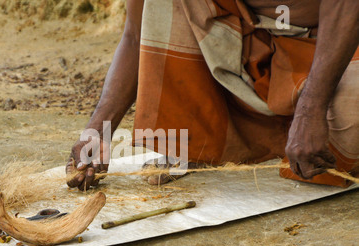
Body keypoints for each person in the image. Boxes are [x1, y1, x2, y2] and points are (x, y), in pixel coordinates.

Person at [66, 0, 359, 191]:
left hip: (334, 47)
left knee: (350, 112)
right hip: (246, 53)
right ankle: (200, 143)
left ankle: (298, 126)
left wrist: (311, 109)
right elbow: (136, 32)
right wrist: (98, 131)